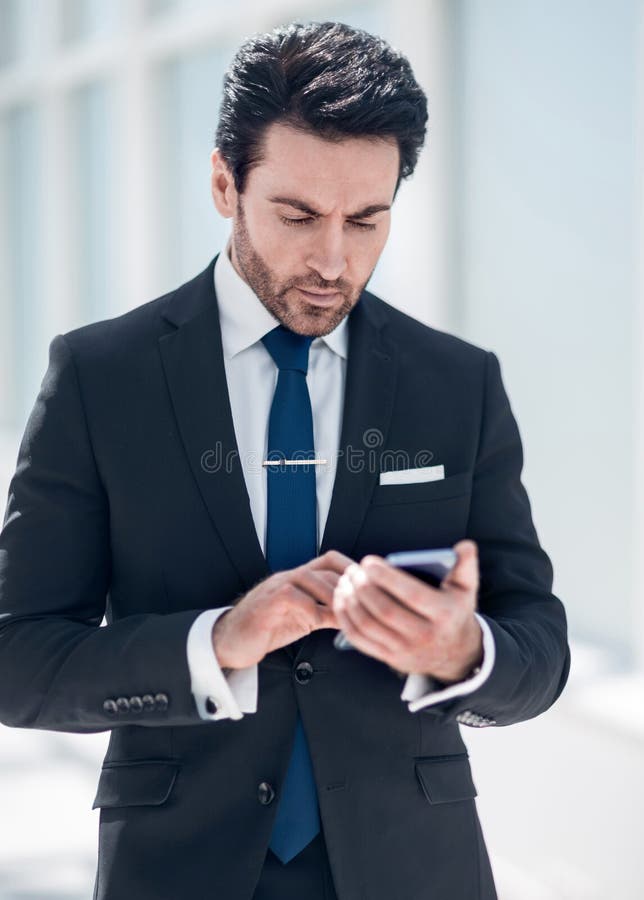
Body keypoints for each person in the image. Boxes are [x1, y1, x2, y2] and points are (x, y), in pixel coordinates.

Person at [0, 20, 570, 900]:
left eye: (367, 219)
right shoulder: (100, 378)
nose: (334, 261)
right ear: (226, 182)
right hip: (182, 868)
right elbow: (19, 658)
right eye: (299, 216)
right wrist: (215, 644)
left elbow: (539, 639)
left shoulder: (457, 383)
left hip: (414, 866)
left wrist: (466, 652)